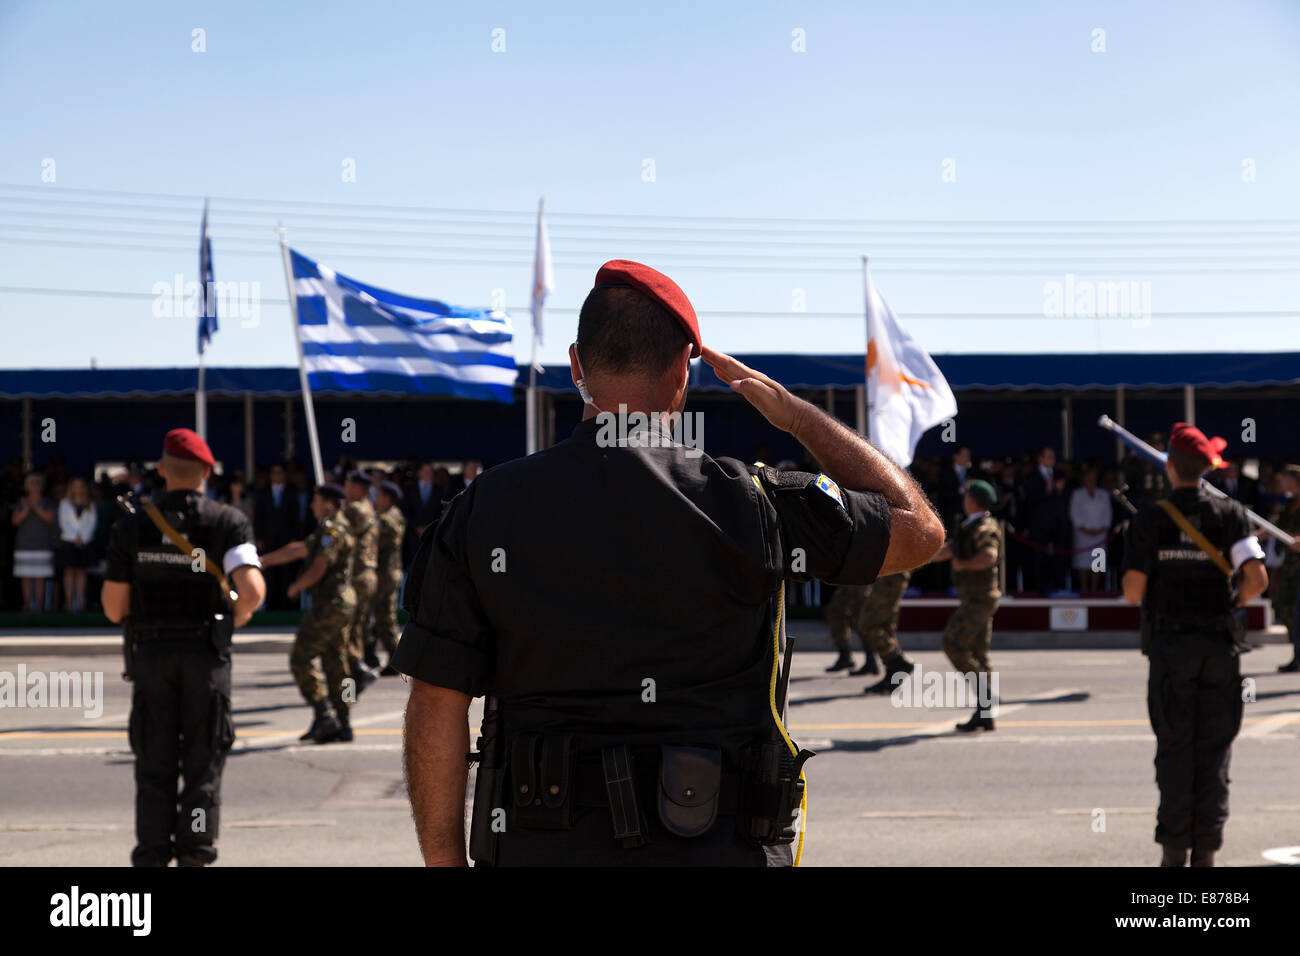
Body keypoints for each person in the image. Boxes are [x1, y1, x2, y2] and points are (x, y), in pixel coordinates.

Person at [395, 259, 944, 867]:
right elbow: (921, 531)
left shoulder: (484, 509)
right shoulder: (753, 503)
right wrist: (794, 415)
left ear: (577, 365)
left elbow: (437, 700)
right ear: (685, 369)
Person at [101, 429, 266, 866]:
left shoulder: (131, 527)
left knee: (153, 769)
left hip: (152, 658)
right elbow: (251, 593)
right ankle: (195, 853)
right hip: (205, 659)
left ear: (160, 470)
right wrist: (238, 614)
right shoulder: (227, 521)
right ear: (207, 472)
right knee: (202, 769)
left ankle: (152, 856)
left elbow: (114, 609)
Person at [1121, 422, 1269, 867]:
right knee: (1215, 752)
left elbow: (1131, 591)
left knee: (1175, 752)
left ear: (1169, 466)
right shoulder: (1231, 513)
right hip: (1220, 648)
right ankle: (1207, 854)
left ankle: (1174, 854)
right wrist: (1230, 602)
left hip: (1171, 649)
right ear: (1206, 467)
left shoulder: (1150, 517)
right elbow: (1257, 579)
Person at [262, 483, 357, 744]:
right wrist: (264, 561)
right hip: (340, 604)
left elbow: (320, 565)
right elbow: (298, 548)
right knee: (336, 663)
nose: (312, 505)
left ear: (328, 503)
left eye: (316, 500)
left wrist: (296, 586)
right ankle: (343, 722)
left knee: (300, 658)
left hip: (330, 604)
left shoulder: (331, 529)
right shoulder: (337, 526)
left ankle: (324, 713)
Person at [933, 479, 1002, 732]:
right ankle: (985, 713)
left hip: (980, 599)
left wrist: (964, 565)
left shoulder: (984, 527)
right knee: (978, 652)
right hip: (975, 598)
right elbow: (949, 550)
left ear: (972, 500)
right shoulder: (969, 525)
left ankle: (986, 697)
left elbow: (989, 557)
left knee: (953, 643)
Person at [341, 471, 380, 691]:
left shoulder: (355, 509)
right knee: (358, 622)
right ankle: (359, 666)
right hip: (367, 573)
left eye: (348, 485)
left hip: (357, 574)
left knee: (352, 623)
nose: (345, 490)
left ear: (357, 488)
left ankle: (357, 669)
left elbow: (339, 531)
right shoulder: (368, 507)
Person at [1264, 464, 1300, 671]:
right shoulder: (1288, 504)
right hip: (1290, 568)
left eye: (1285, 479)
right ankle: (1297, 655)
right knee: (1284, 606)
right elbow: (1272, 528)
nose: (1282, 483)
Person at [255, 464, 303, 611]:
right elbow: (259, 517)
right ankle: (270, 606)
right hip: (269, 540)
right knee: (269, 574)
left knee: (285, 574)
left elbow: (296, 517)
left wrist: (295, 537)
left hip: (286, 540)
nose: (277, 475)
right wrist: (259, 537)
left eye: (279, 472)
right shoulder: (263, 493)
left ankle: (285, 606)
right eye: (274, 472)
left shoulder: (291, 492)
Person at [860, 571, 917, 694]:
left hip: (892, 575)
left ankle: (898, 661)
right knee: (886, 626)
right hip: (888, 574)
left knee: (869, 624)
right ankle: (892, 675)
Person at [371, 480, 407, 674]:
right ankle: (379, 657)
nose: (375, 499)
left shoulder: (389, 518)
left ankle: (394, 660)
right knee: (382, 617)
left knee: (385, 617)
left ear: (387, 498)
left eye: (378, 495)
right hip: (384, 573)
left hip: (385, 574)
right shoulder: (384, 516)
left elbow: (378, 538)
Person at [11, 472, 57, 613]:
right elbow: (15, 521)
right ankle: (27, 604)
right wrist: (25, 509)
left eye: (37, 482)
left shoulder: (47, 502)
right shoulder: (21, 502)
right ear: (26, 485)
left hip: (42, 545)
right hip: (24, 545)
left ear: (42, 485)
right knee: (25, 576)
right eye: (32, 482)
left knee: (40, 576)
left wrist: (36, 506)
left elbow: (50, 519)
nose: (35, 485)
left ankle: (38, 606)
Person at [1069, 467, 1113, 592]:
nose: (1091, 481)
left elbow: (1107, 514)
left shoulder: (1103, 494)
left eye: (1093, 479)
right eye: (1088, 478)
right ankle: (1084, 590)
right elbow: (1074, 513)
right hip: (1082, 534)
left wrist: (1101, 529)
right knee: (1083, 564)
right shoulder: (1077, 494)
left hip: (1100, 535)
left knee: (1097, 565)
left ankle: (1094, 590)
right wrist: (1084, 529)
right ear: (1083, 479)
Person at [57, 476, 97, 612]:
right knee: (69, 571)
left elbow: (92, 523)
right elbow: (63, 522)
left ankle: (80, 601)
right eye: (75, 485)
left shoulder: (90, 504)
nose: (78, 488)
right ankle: (69, 602)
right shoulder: (64, 503)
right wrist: (74, 538)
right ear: (71, 488)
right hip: (69, 541)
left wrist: (83, 538)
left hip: (85, 542)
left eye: (80, 485)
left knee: (81, 572)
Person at [823, 585, 879, 675]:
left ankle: (846, 656)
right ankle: (870, 659)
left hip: (854, 578)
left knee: (835, 611)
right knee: (859, 616)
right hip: (862, 578)